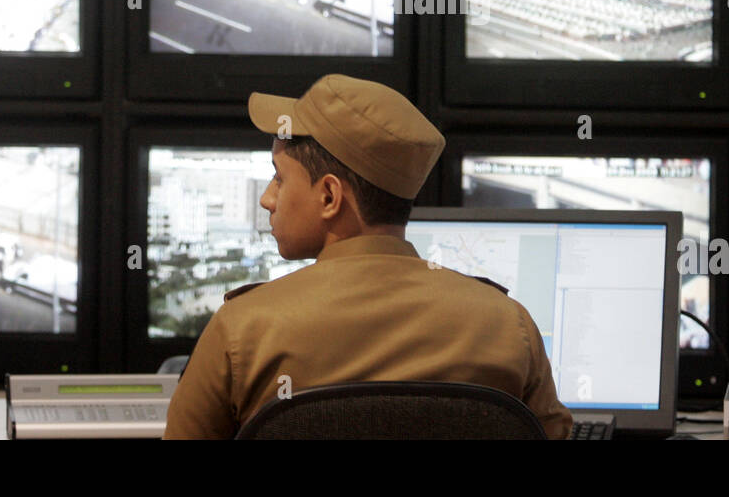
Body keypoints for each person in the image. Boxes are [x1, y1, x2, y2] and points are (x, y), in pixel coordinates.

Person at [163, 73, 572, 439]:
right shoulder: (508, 326)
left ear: (329, 196)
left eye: (279, 177)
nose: (269, 199)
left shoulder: (242, 329)